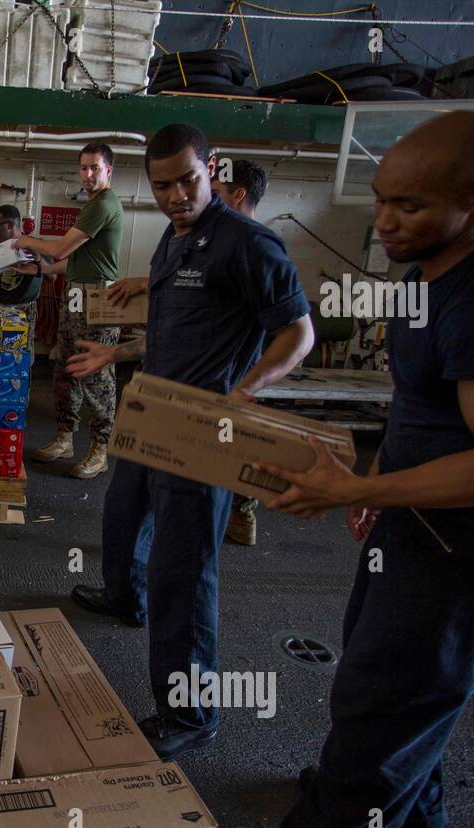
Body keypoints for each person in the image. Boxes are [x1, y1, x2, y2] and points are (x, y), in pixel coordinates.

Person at [218, 111, 474, 828]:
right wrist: (378, 487)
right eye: (382, 200)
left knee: (385, 707)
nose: (385, 222)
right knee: (388, 687)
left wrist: (351, 491)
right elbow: (427, 413)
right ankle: (410, 809)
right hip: (416, 524)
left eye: (408, 207)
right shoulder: (429, 280)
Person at [64, 123, 314, 758]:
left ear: (213, 168)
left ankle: (190, 711)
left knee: (185, 568)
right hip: (154, 406)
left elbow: (298, 334)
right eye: (163, 185)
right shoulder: (172, 246)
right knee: (122, 515)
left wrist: (243, 394)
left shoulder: (251, 245)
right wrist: (116, 351)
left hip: (206, 427)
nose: (177, 194)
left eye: (189, 180)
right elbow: (173, 329)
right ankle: (125, 599)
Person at [17, 143, 124, 479]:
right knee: (64, 367)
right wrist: (42, 271)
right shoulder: (92, 206)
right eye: (83, 168)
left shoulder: (104, 203)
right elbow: (74, 262)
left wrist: (25, 241)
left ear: (109, 170)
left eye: (95, 167)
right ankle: (64, 438)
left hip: (97, 300)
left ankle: (100, 449)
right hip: (77, 295)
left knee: (94, 373)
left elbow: (61, 248)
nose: (88, 174)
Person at [212, 158, 271, 547]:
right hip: (217, 372)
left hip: (234, 375)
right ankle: (237, 513)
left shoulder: (256, 247)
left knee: (226, 451)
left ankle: (239, 512)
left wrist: (249, 384)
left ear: (238, 195)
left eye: (217, 192)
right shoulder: (221, 241)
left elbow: (298, 333)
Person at [0, 204, 42, 328]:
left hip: (22, 312)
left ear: (10, 225)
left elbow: (53, 276)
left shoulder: (35, 245)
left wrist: (38, 259)